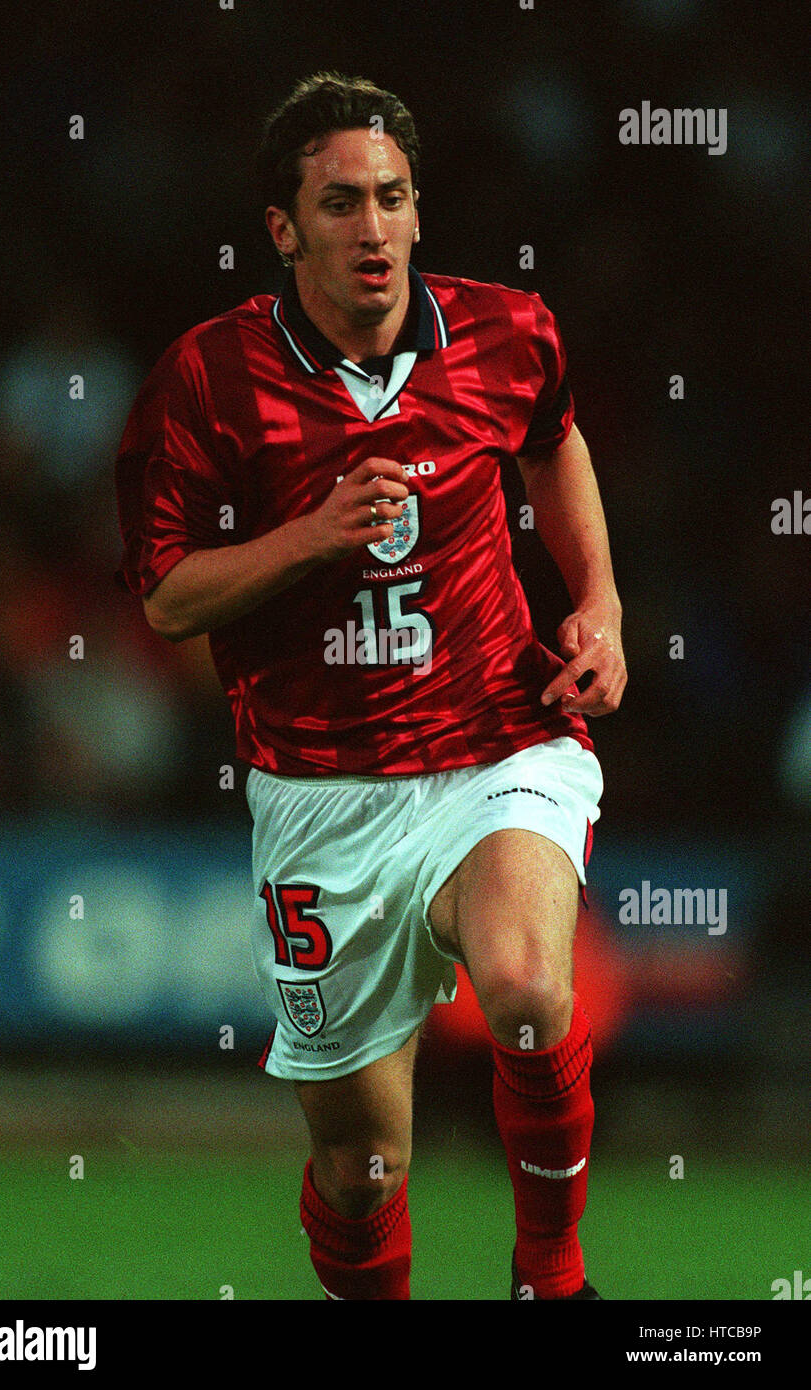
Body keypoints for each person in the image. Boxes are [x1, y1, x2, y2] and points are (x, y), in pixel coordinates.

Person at [114, 71, 627, 1301]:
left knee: (523, 988)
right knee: (364, 1166)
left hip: (493, 740)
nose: (373, 227)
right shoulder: (207, 381)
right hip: (320, 796)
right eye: (339, 202)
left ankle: (548, 1280)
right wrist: (313, 535)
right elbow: (166, 596)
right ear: (283, 228)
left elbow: (554, 436)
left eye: (392, 197)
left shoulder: (504, 331)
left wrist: (599, 601)